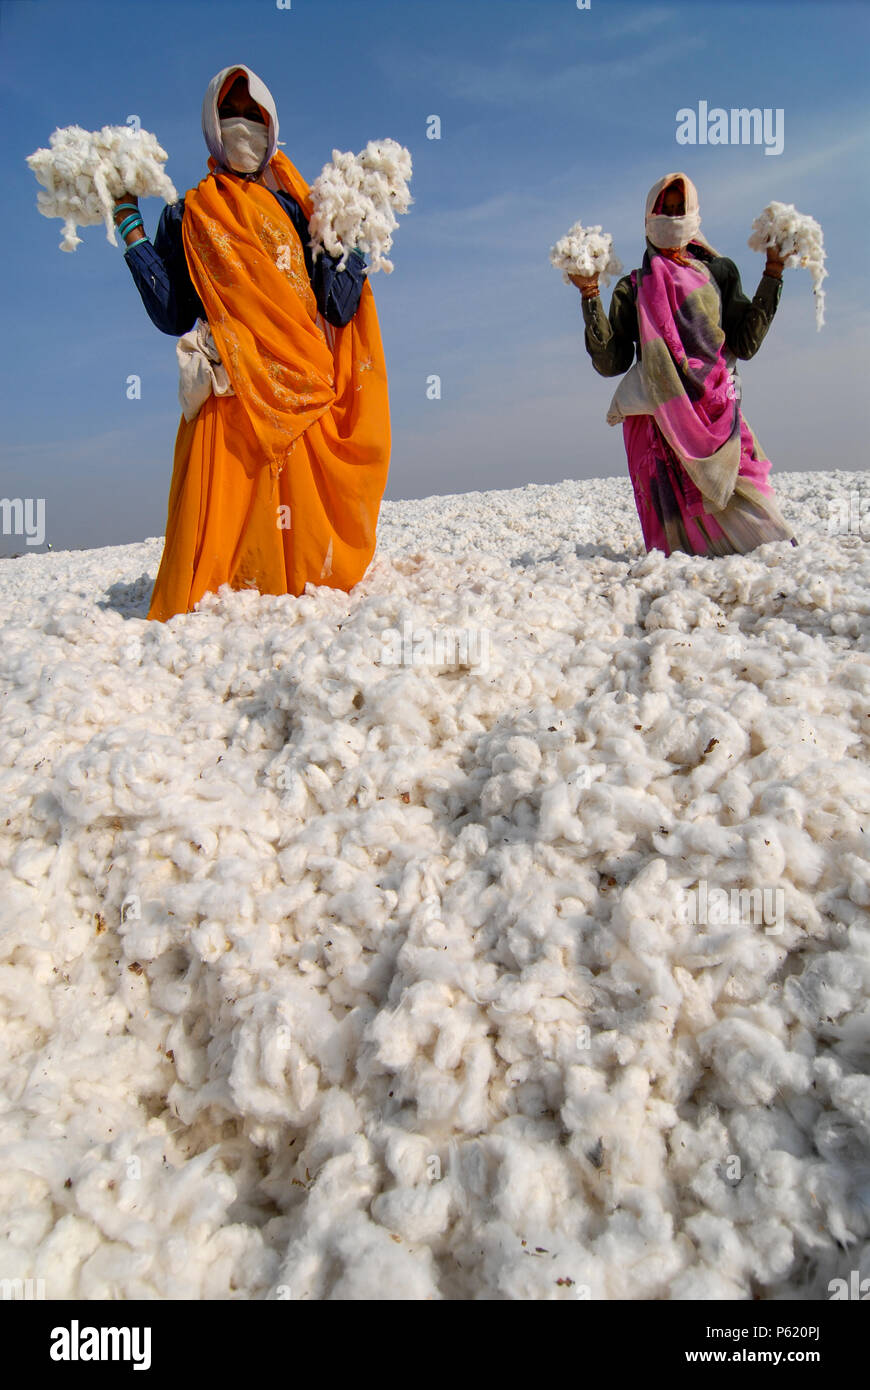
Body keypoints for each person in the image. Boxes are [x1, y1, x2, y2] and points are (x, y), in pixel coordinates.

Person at [113, 64, 390, 621]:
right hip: (230, 402)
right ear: (212, 126)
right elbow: (172, 314)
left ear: (272, 125)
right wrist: (130, 227)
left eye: (254, 116)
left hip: (302, 397)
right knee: (219, 589)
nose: (244, 127)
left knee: (312, 576)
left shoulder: (298, 209)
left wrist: (354, 238)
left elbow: (336, 305)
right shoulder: (188, 214)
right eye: (231, 114)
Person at [570, 172, 796, 557]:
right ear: (648, 218)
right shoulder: (634, 286)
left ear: (694, 214)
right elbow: (613, 361)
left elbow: (745, 342)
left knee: (766, 536)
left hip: (717, 412)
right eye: (665, 210)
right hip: (662, 420)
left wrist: (773, 272)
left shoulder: (720, 272)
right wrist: (590, 294)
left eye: (680, 210)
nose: (673, 219)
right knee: (681, 552)